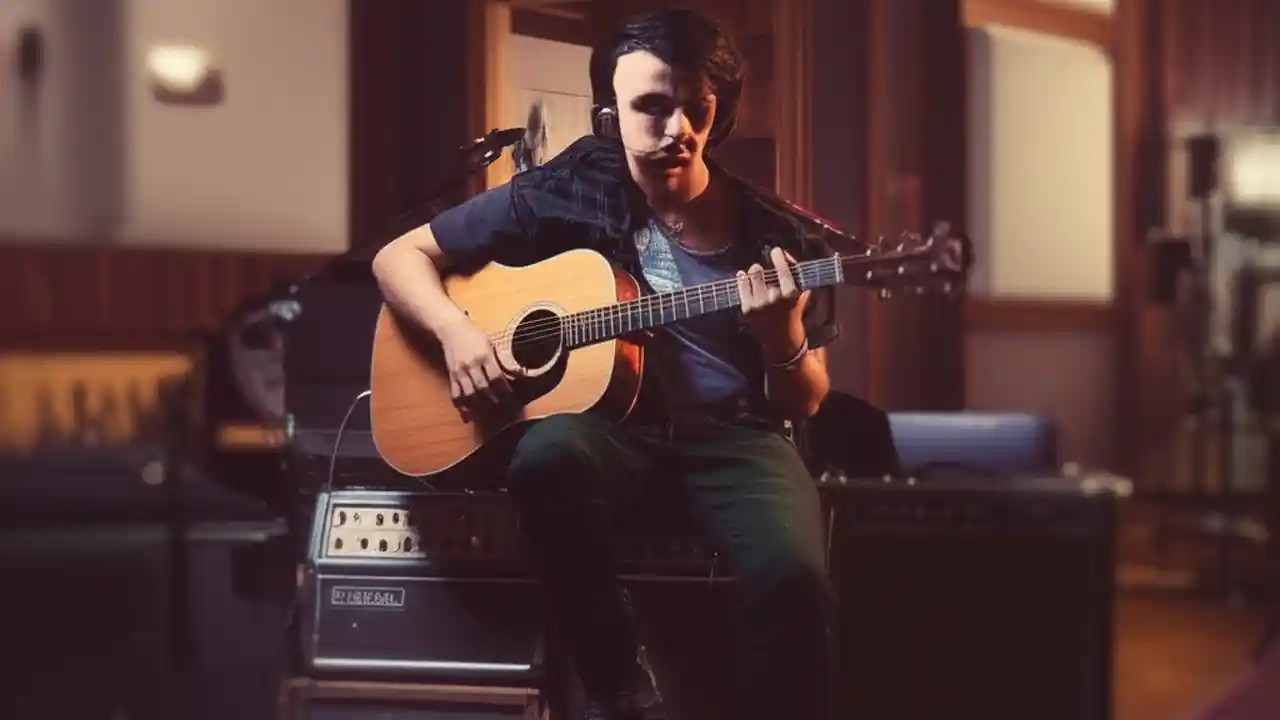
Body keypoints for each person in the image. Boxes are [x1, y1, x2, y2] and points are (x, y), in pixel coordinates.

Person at [372, 9, 848, 720]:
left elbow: (804, 400)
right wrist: (456, 333)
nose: (677, 129)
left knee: (794, 575)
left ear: (718, 114)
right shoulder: (570, 185)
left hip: (736, 436)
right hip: (612, 430)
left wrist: (781, 337)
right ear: (609, 115)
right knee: (546, 456)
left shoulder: (779, 237)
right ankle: (616, 681)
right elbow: (398, 258)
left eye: (696, 109)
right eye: (651, 107)